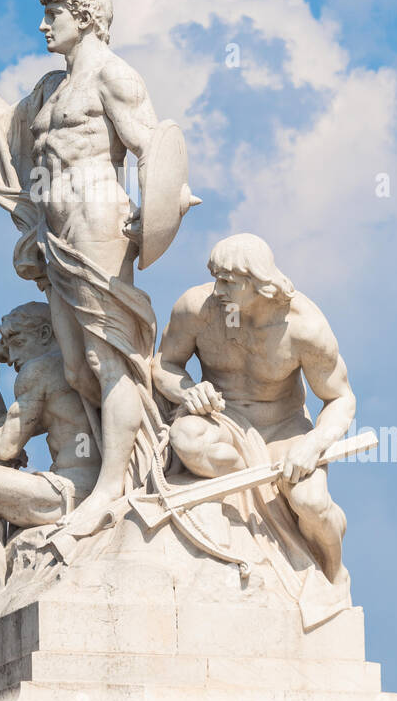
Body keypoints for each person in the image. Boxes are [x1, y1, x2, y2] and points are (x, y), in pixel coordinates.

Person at [0, 0, 168, 539]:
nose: (45, 26)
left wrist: (155, 212)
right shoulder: (50, 87)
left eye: (54, 15)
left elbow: (151, 148)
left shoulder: (114, 76)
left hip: (98, 221)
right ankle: (108, 468)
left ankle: (111, 490)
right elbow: (8, 129)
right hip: (56, 234)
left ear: (87, 16)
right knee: (76, 370)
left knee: (108, 360)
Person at [152, 233, 355, 585]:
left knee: (311, 504)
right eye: (215, 277)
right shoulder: (197, 309)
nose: (217, 290)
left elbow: (341, 399)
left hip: (283, 430)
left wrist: (314, 444)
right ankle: (247, 490)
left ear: (258, 284)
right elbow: (163, 365)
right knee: (186, 437)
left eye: (228, 282)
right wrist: (188, 392)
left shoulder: (305, 328)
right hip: (223, 422)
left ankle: (334, 573)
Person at [0, 302, 99, 630]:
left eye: (15, 341)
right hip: (82, 487)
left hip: (69, 492)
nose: (9, 357)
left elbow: (1, 446)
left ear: (44, 333)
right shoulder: (74, 363)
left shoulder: (42, 370)